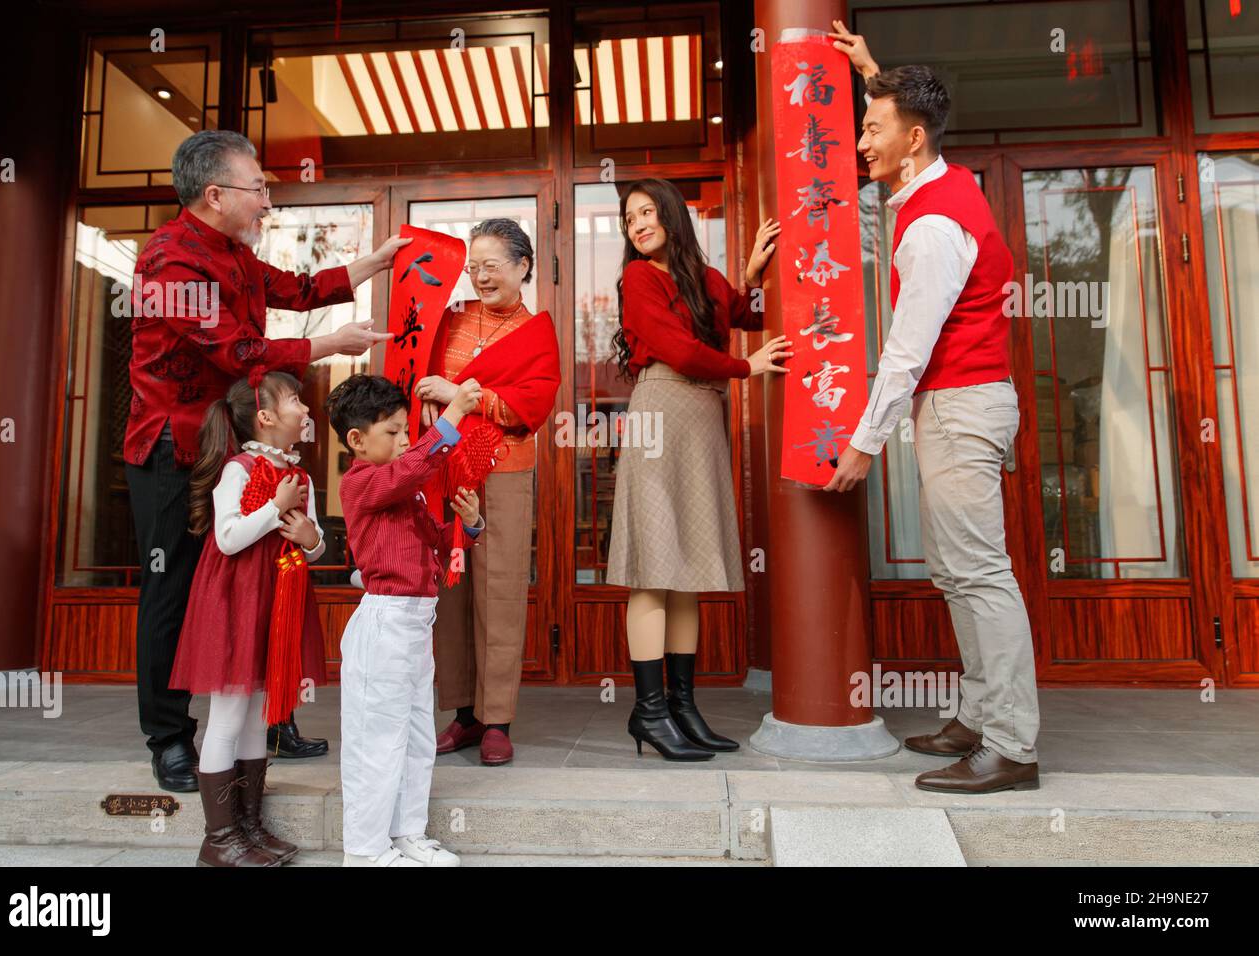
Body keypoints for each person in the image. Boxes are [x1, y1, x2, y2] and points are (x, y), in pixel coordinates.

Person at [126, 129, 407, 792]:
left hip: (245, 446)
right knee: (174, 589)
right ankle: (169, 737)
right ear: (215, 192)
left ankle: (267, 717)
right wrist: (328, 346)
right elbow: (236, 352)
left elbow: (301, 288)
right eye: (259, 188)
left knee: (261, 576)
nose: (268, 201)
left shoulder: (238, 253)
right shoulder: (169, 260)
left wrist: (377, 262)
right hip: (178, 447)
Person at [826, 22, 1041, 793]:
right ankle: (980, 716)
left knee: (979, 574)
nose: (860, 142)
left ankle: (1011, 745)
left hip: (959, 404)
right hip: (957, 405)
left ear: (911, 139)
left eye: (871, 128)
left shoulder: (934, 228)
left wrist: (863, 444)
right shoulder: (939, 182)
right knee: (957, 570)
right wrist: (872, 72)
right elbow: (909, 120)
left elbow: (906, 350)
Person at [606, 178, 792, 760]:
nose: (637, 224)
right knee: (654, 567)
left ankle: (683, 707)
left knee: (686, 570)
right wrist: (747, 368)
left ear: (671, 214)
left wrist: (755, 274)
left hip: (703, 415)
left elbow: (745, 315)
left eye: (646, 212)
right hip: (662, 407)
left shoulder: (703, 278)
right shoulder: (638, 278)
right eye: (629, 218)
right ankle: (650, 711)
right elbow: (680, 350)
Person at [170, 369, 328, 867]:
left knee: (261, 716)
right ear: (265, 416)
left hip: (276, 606)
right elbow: (228, 538)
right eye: (295, 401)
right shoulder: (237, 469)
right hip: (235, 603)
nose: (304, 410)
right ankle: (219, 840)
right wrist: (275, 508)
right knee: (227, 718)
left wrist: (310, 538)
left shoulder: (300, 475)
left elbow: (317, 544)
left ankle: (249, 827)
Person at [328, 373, 485, 867]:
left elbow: (439, 544)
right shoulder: (362, 482)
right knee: (377, 742)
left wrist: (471, 524)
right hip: (385, 624)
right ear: (357, 440)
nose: (402, 442)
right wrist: (453, 415)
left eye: (405, 432)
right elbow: (412, 469)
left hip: (416, 624)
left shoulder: (403, 486)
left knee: (417, 738)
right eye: (393, 432)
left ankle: (406, 834)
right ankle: (365, 849)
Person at [420, 219, 560, 767]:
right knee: (451, 587)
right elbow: (422, 374)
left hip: (503, 466)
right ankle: (463, 714)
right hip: (445, 465)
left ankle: (497, 717)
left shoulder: (537, 330)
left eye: (492, 265)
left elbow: (532, 407)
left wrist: (462, 395)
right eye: (473, 266)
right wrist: (430, 397)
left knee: (498, 588)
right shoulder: (449, 317)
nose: (480, 276)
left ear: (523, 266)